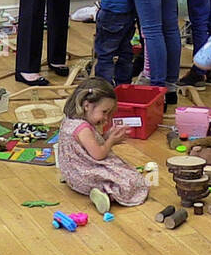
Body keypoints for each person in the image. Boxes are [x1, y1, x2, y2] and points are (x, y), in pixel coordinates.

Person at [55, 78, 149, 212]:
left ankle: (96, 188)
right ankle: (106, 195)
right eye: (104, 112)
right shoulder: (83, 128)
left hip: (71, 173)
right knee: (133, 181)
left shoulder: (70, 120)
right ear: (87, 105)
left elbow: (87, 146)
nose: (106, 118)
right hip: (83, 176)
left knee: (122, 170)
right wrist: (111, 141)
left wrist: (106, 137)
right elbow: (98, 154)